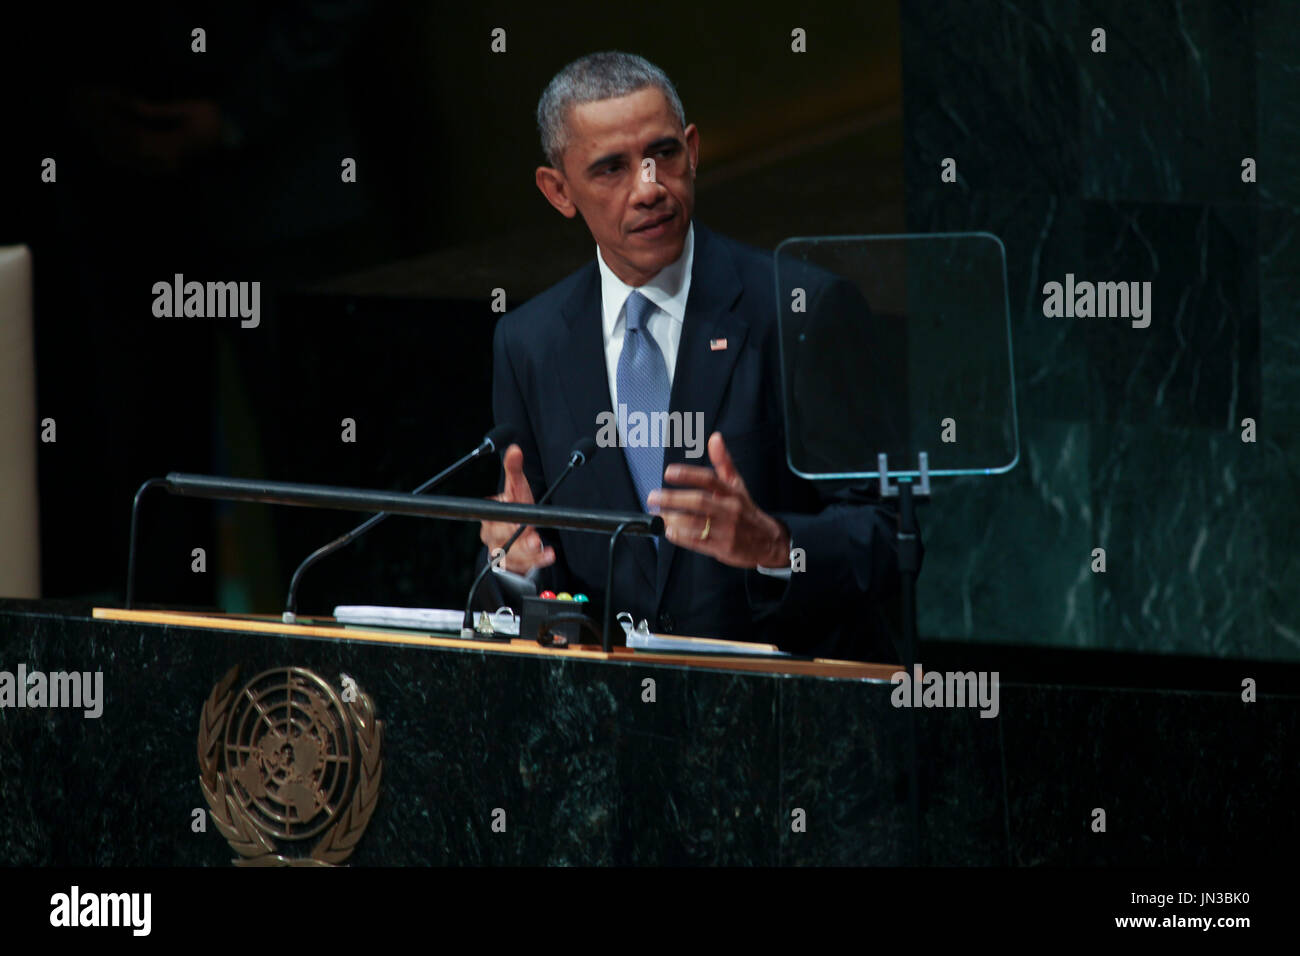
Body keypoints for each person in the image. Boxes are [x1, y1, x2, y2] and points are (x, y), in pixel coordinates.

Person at [479, 51, 917, 663]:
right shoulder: (529, 342)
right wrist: (514, 564)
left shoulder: (801, 311)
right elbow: (525, 541)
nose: (650, 188)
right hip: (611, 724)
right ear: (559, 191)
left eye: (664, 155)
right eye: (611, 169)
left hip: (786, 716)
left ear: (694, 150)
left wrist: (775, 545)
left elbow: (891, 537)